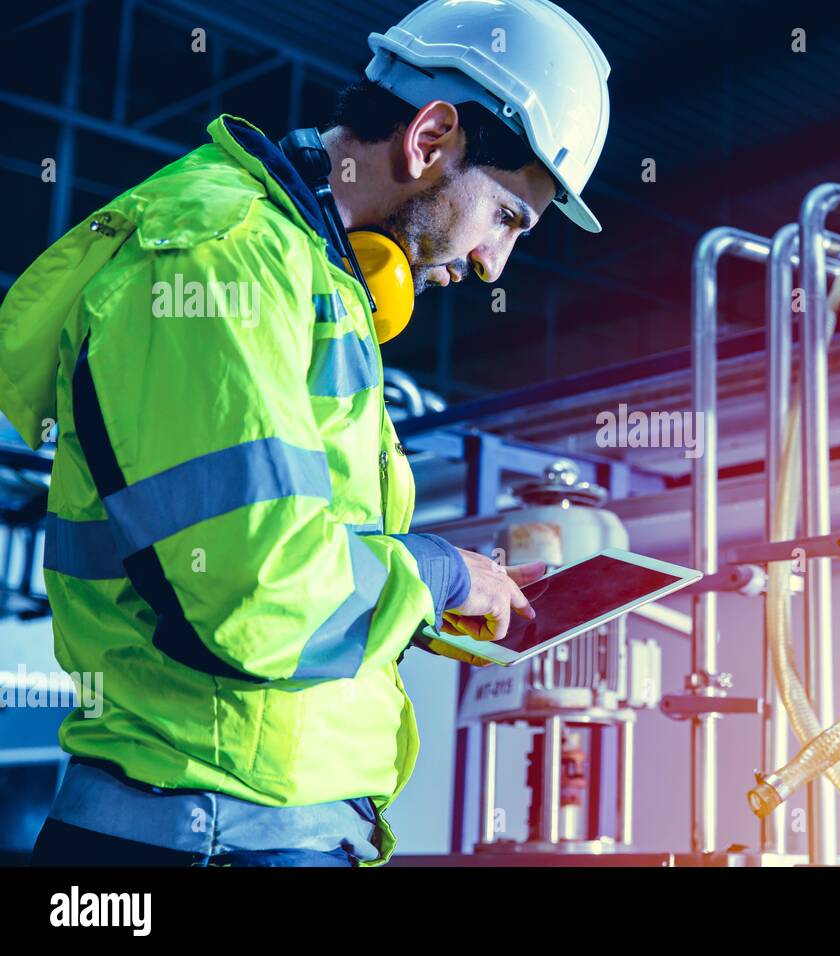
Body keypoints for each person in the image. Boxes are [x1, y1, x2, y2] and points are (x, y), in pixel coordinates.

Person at [0, 0, 610, 867]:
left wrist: (436, 606)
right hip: (205, 835)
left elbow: (292, 561)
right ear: (430, 138)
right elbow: (255, 590)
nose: (493, 265)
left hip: (259, 828)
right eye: (508, 217)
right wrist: (435, 574)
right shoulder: (214, 260)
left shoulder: (308, 282)